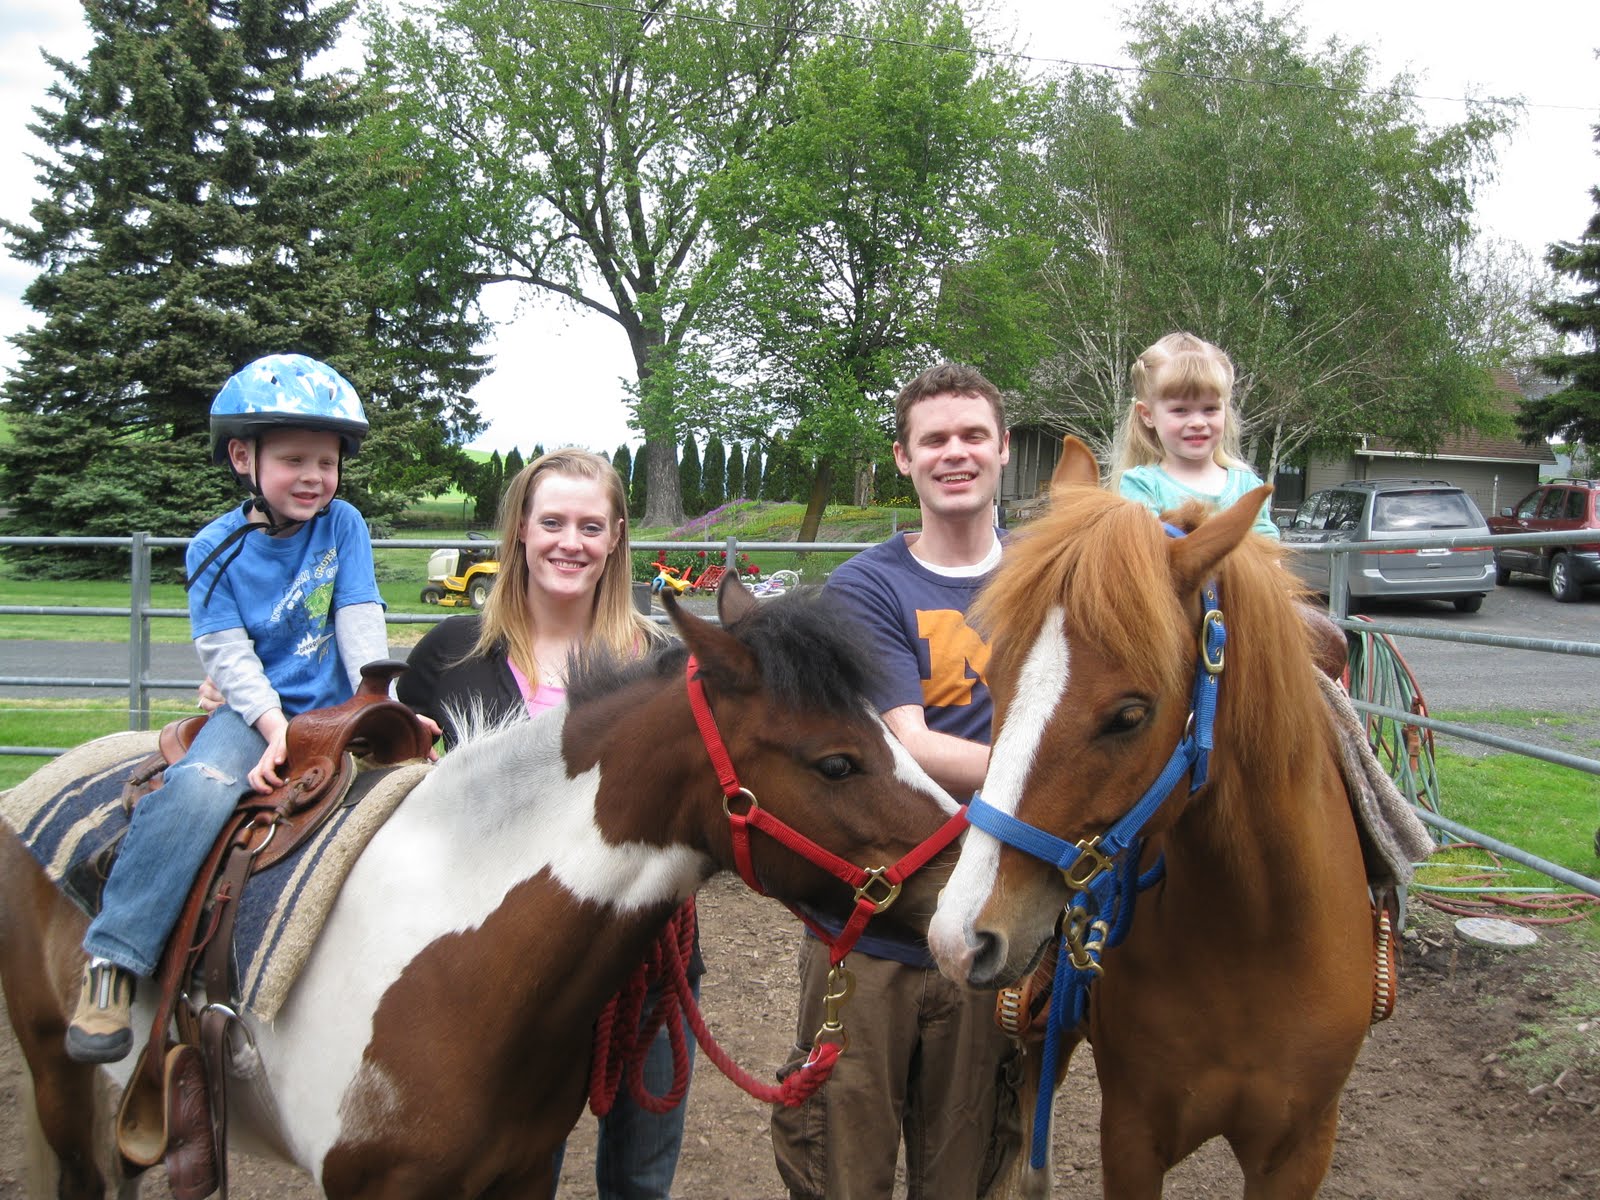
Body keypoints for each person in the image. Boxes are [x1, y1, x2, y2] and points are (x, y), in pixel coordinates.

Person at [67, 354, 393, 1064]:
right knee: (200, 791)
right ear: (243, 457)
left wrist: (381, 703)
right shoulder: (213, 547)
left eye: (326, 461)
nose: (314, 476)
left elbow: (359, 620)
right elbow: (228, 656)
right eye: (294, 459)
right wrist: (274, 728)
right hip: (251, 716)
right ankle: (114, 961)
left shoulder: (343, 526)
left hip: (341, 708)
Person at [396, 449, 699, 1200]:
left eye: (590, 526)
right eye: (553, 521)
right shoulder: (451, 655)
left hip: (642, 964)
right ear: (521, 532)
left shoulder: (662, 665)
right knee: (516, 1172)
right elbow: (402, 787)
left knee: (639, 1181)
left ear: (617, 536)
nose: (571, 541)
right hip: (504, 974)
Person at [770, 363, 1020, 1200]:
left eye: (972, 436)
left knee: (974, 1167)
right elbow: (910, 746)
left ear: (1004, 450)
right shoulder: (866, 589)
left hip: (993, 921)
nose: (956, 453)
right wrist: (1048, 780)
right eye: (935, 439)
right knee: (844, 1166)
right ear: (905, 459)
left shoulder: (1044, 582)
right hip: (867, 934)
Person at [1110, 330, 1279, 538]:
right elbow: (1146, 550)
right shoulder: (1142, 484)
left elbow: (1267, 549)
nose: (1198, 422)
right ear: (1147, 415)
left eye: (1210, 409)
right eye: (1180, 410)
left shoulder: (1247, 485)